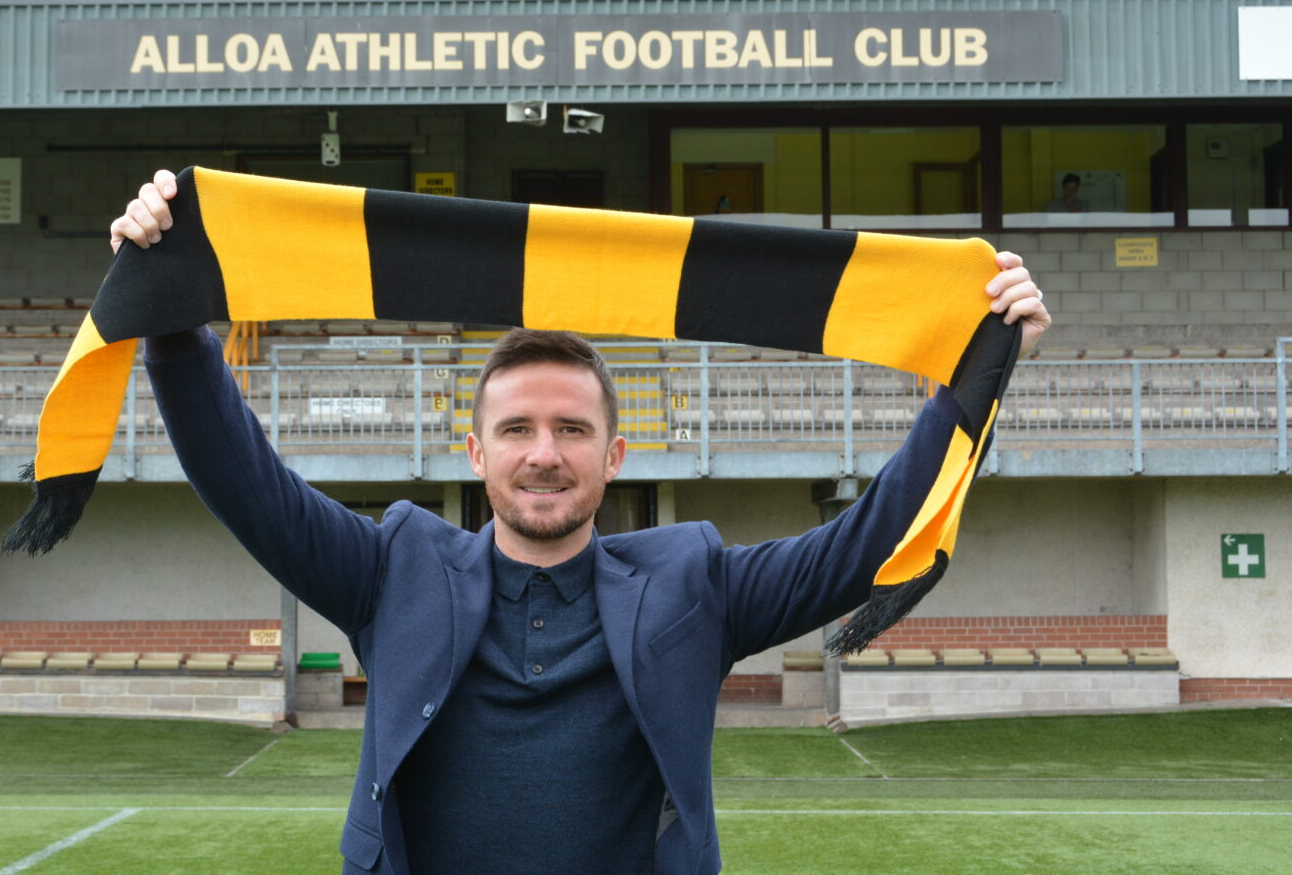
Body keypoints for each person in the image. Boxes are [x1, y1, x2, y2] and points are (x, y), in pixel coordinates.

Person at [112, 170, 1051, 875]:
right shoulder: (392, 567)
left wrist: (977, 374)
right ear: (474, 456)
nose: (544, 453)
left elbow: (863, 542)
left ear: (615, 455)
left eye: (572, 429)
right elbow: (246, 481)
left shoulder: (695, 582)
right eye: (515, 429)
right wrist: (170, 320)